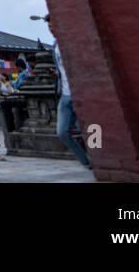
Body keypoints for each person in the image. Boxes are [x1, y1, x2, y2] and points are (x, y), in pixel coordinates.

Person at [47, 14, 91, 168]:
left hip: (82, 93)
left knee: (93, 128)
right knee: (62, 132)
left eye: (53, 26)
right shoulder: (55, 46)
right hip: (65, 94)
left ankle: (101, 158)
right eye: (49, 27)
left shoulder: (73, 42)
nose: (52, 29)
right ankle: (86, 161)